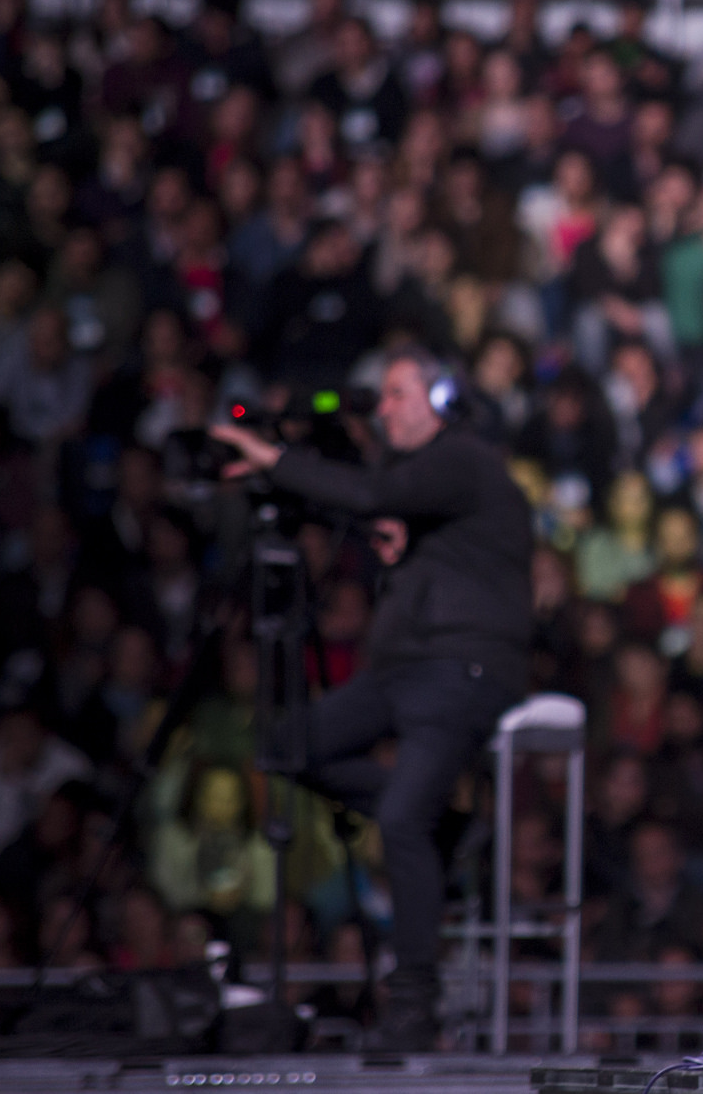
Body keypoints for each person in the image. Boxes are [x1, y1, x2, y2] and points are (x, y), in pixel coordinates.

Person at [211, 351, 533, 1050]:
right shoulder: (431, 494)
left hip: (461, 667)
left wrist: (275, 455)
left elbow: (367, 495)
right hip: (405, 672)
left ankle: (415, 1001)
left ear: (437, 400)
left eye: (395, 393)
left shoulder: (465, 458)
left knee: (400, 818)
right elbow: (376, 501)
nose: (382, 408)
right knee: (286, 743)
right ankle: (437, 825)